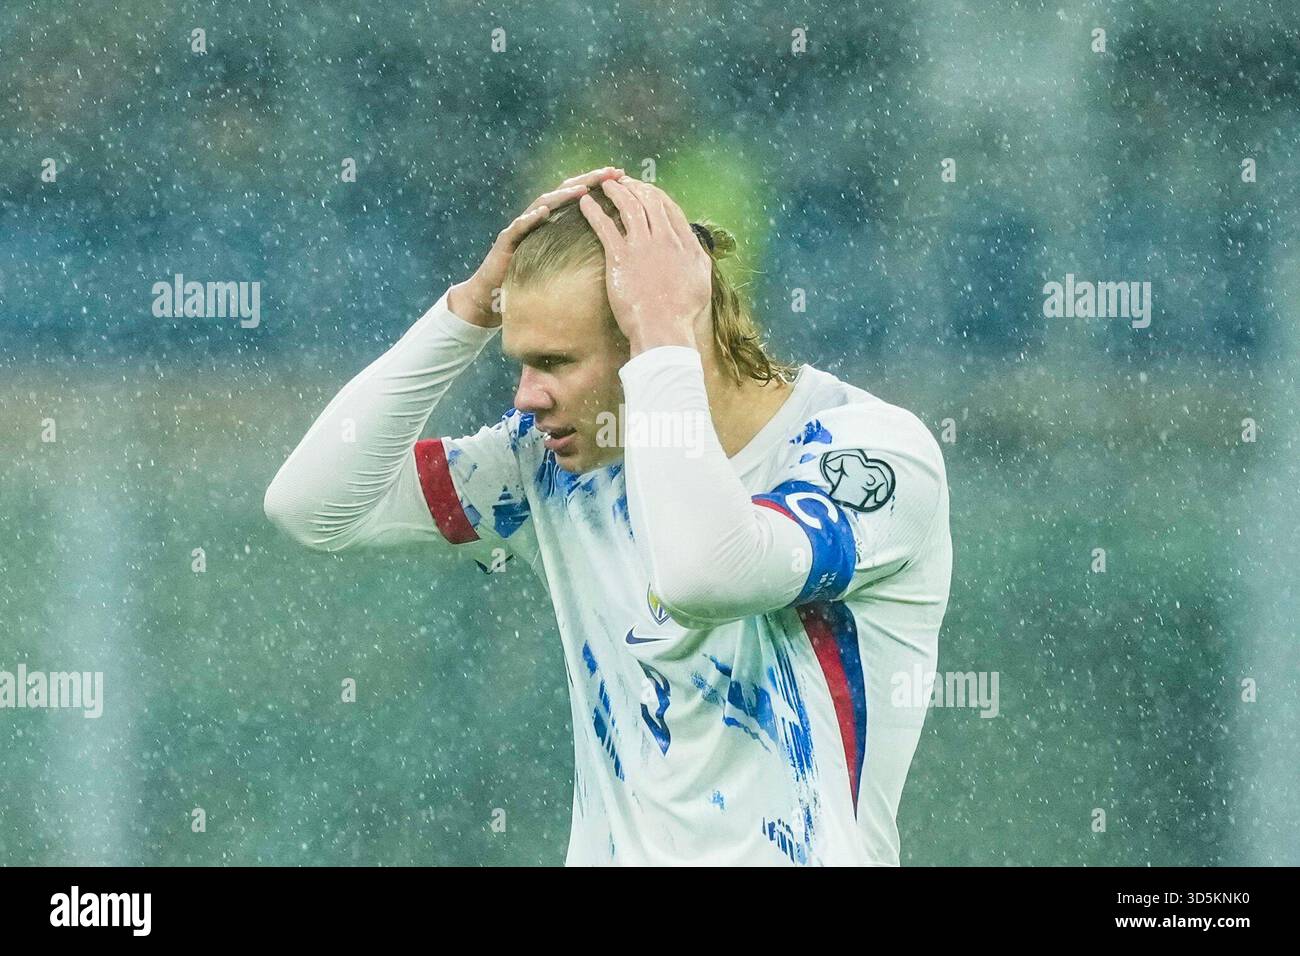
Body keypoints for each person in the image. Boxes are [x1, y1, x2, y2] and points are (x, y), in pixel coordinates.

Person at [264, 166, 952, 865]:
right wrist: (466, 311)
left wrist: (664, 334)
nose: (526, 397)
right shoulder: (561, 465)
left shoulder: (870, 456)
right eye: (520, 360)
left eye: (555, 361)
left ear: (651, 346)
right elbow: (313, 505)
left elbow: (705, 573)